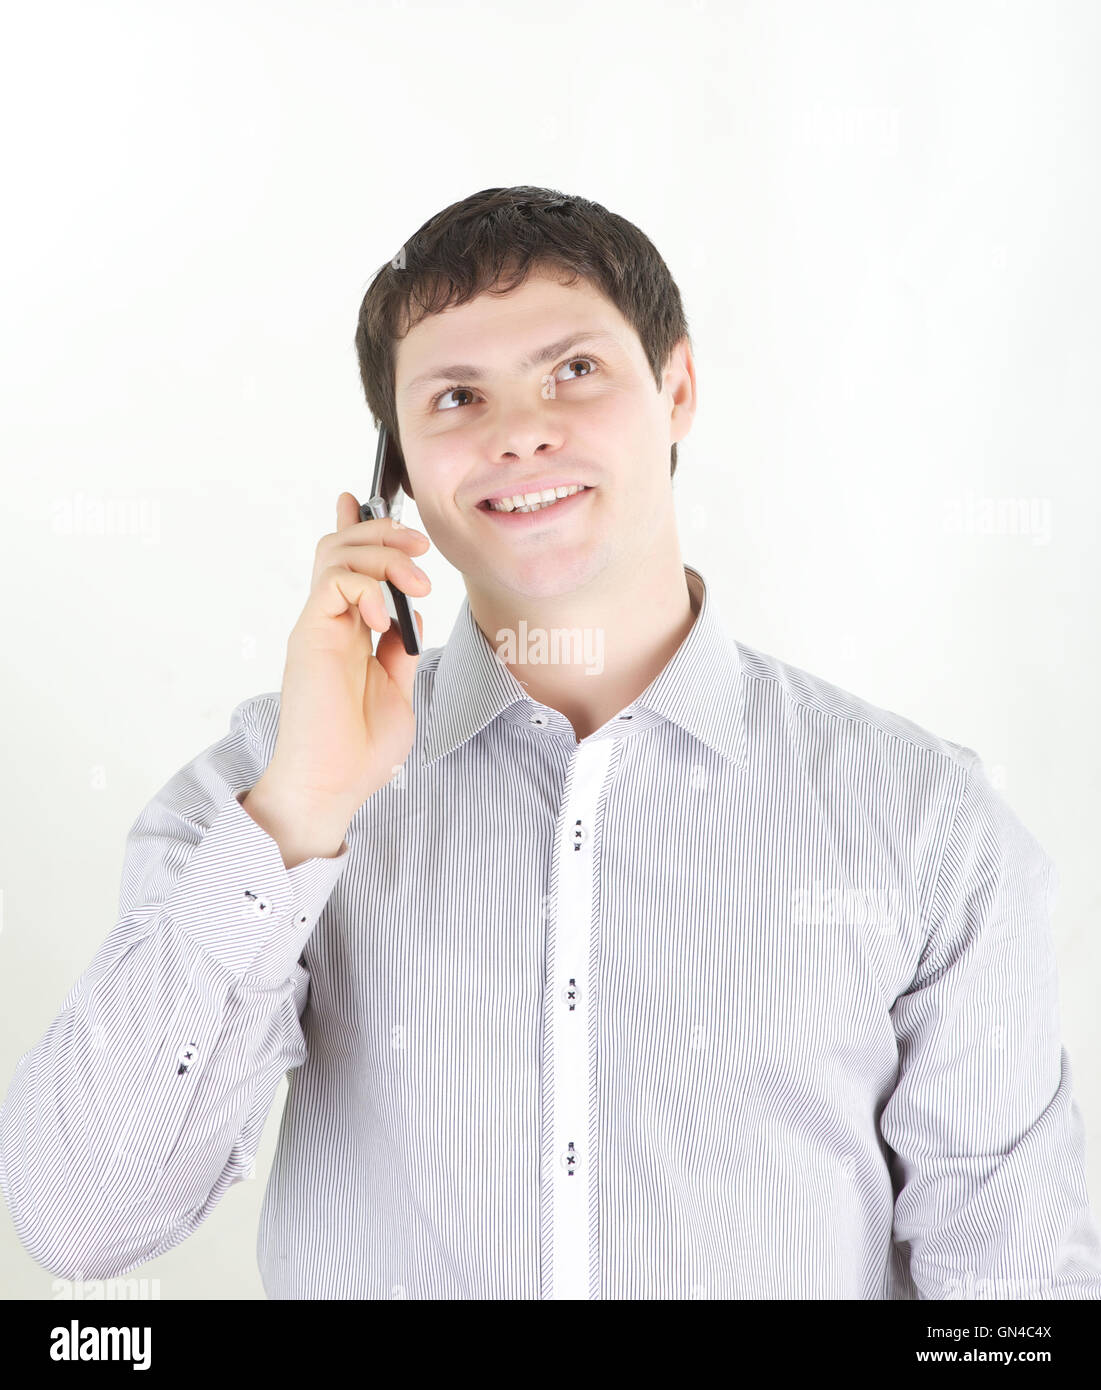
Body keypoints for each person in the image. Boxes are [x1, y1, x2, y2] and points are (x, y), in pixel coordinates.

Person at [2, 186, 1099, 1300]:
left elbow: (1016, 1297)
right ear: (397, 478)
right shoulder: (267, 785)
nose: (517, 430)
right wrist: (300, 814)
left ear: (676, 390)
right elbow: (80, 1220)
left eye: (573, 370)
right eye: (455, 396)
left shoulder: (927, 821)